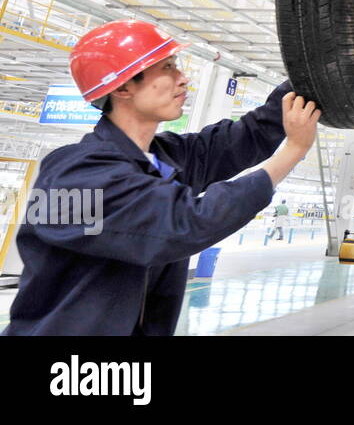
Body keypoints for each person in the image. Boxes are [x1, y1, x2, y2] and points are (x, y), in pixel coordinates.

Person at [5, 20, 320, 336]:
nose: (183, 79)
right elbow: (184, 224)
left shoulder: (165, 158)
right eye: (167, 68)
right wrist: (293, 150)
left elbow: (246, 136)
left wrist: (319, 66)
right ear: (123, 87)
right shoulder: (73, 174)